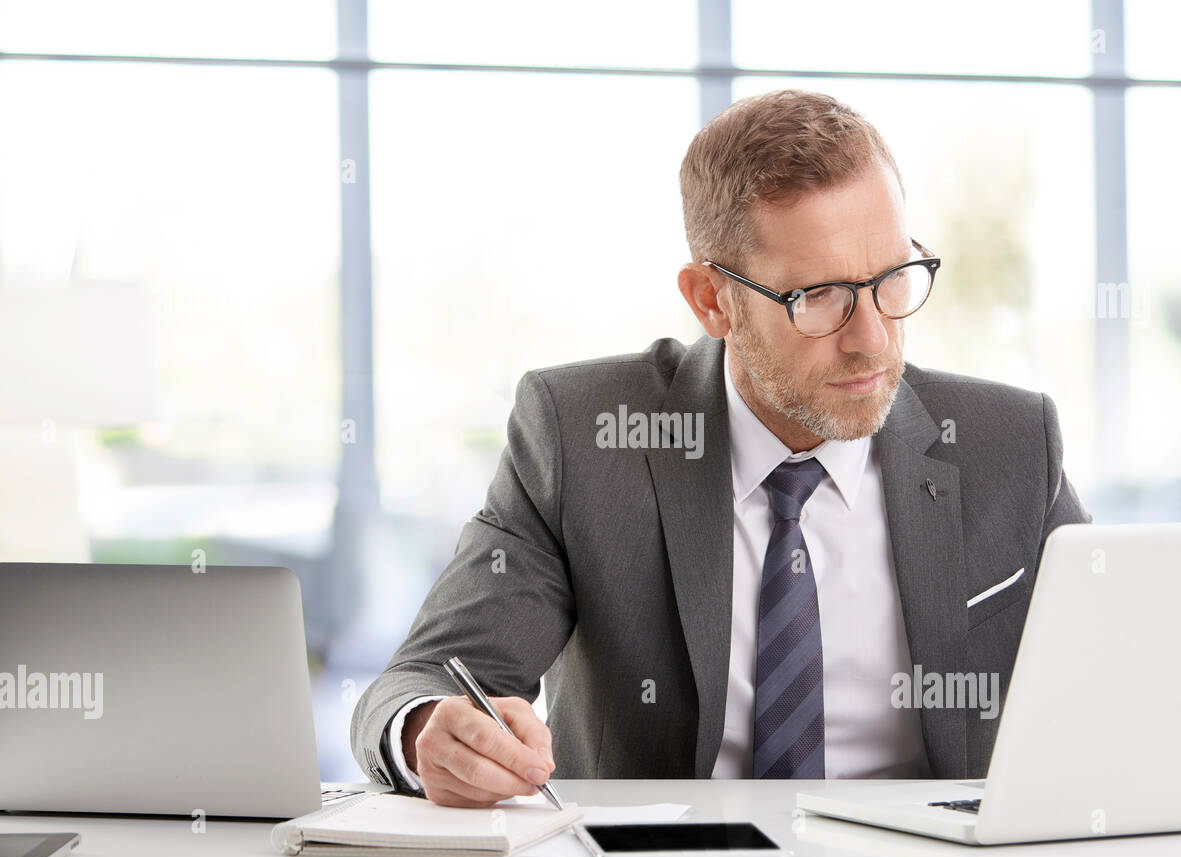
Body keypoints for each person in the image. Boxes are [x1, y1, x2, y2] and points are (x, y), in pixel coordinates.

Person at [350, 88, 1091, 807]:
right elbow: (421, 679)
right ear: (712, 300)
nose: (874, 338)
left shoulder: (1012, 445)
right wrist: (428, 734)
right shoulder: (583, 438)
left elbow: (1125, 680)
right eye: (820, 296)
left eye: (892, 279)